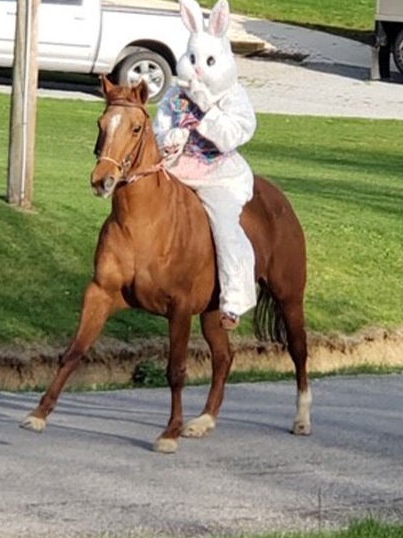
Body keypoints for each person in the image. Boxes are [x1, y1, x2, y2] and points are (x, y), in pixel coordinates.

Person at [154, 0, 257, 330]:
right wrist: (169, 137)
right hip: (175, 168)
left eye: (208, 61)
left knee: (226, 228)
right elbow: (161, 126)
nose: (198, 70)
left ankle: (234, 298)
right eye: (193, 59)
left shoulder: (233, 96)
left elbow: (233, 135)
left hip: (218, 175)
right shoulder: (176, 94)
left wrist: (205, 112)